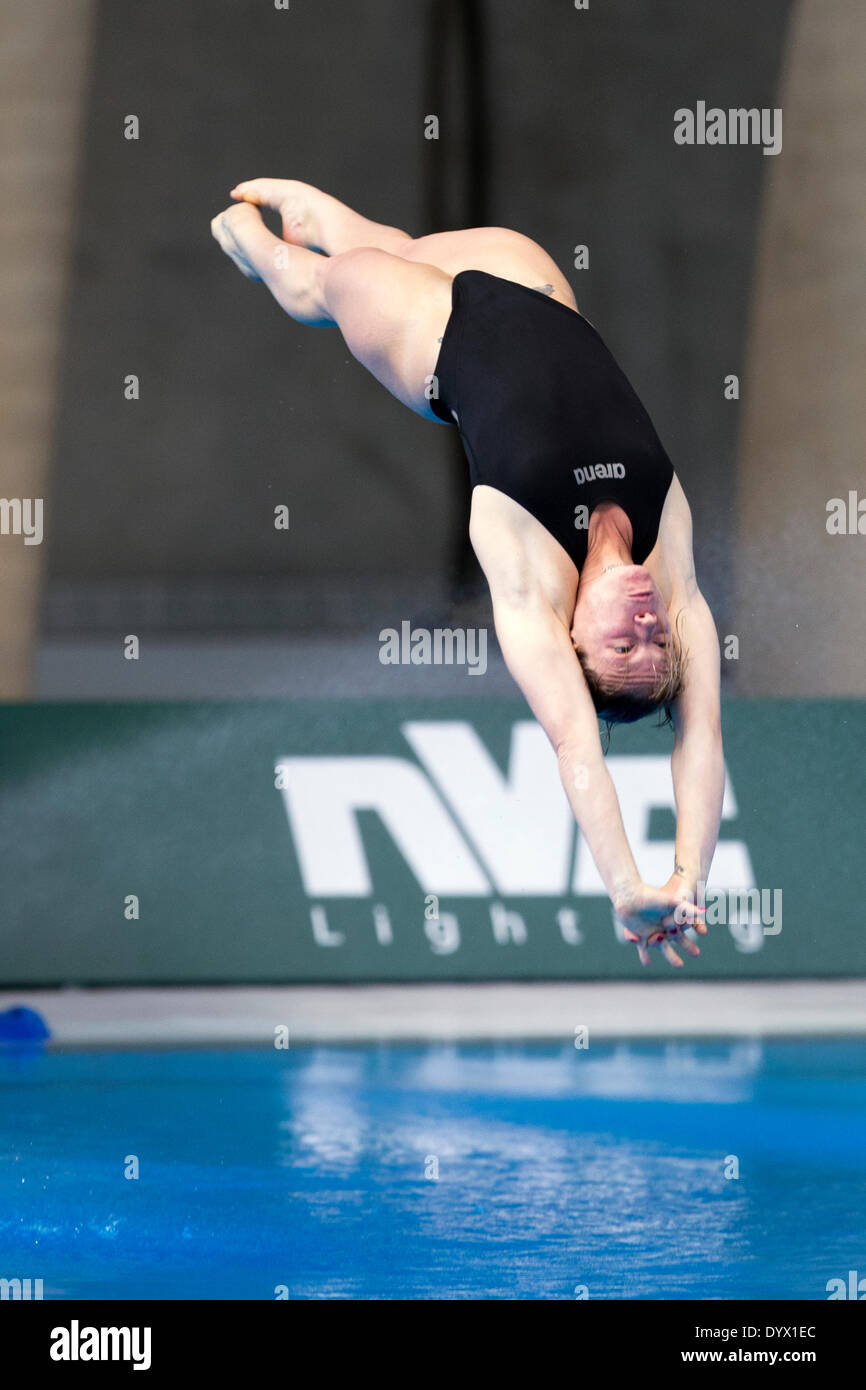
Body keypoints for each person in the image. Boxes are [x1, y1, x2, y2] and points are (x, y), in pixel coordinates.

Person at [211, 179, 723, 968]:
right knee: (402, 248)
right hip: (540, 294)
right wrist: (692, 872)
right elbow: (702, 735)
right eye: (659, 645)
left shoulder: (530, 585)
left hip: (434, 340)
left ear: (575, 642)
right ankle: (327, 219)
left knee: (323, 282)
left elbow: (577, 750)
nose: (649, 626)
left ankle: (258, 248)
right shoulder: (672, 558)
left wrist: (629, 887)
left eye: (626, 650)